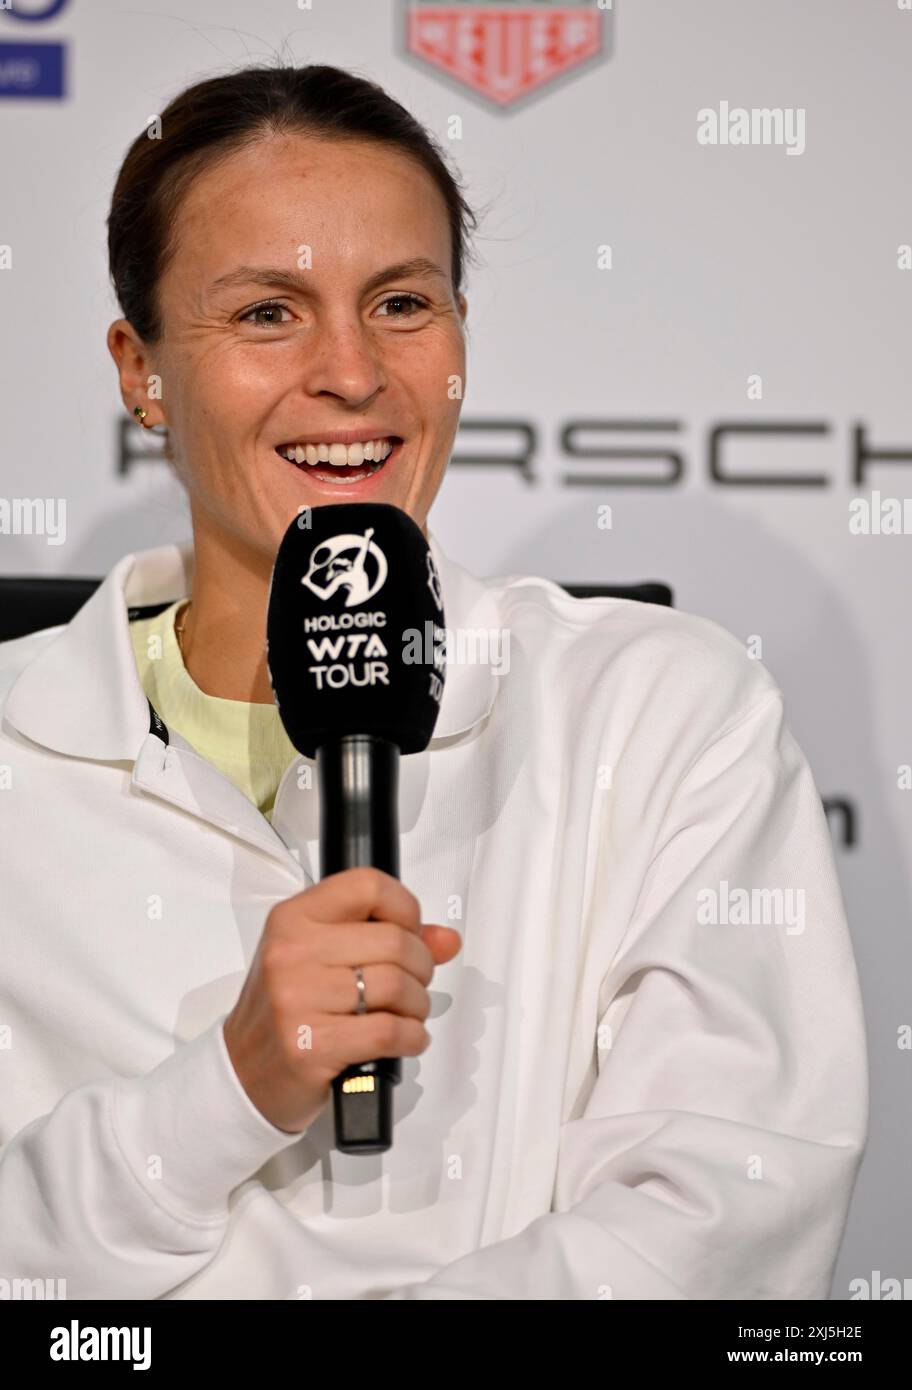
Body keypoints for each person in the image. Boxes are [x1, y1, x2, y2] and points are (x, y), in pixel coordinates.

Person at [0, 63, 867, 1301]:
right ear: (141, 371)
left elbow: (727, 1221)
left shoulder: (664, 710)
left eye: (402, 303)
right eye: (267, 313)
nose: (352, 374)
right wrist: (227, 1089)